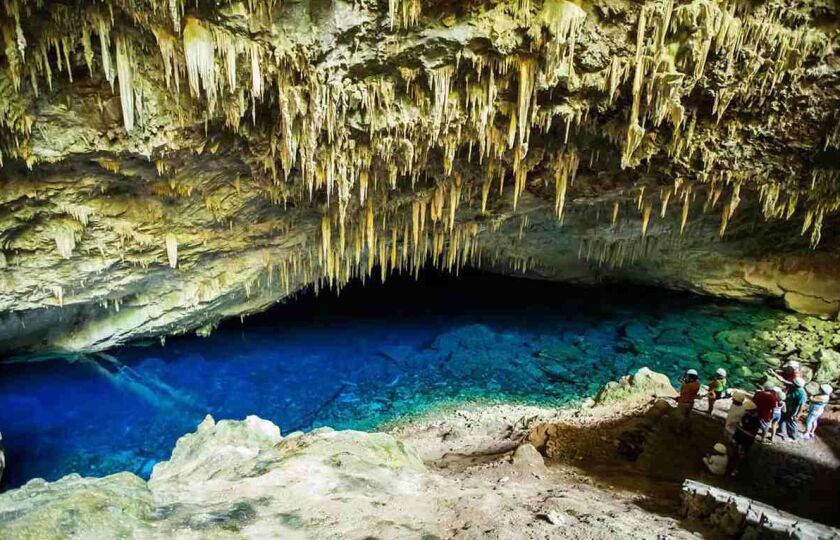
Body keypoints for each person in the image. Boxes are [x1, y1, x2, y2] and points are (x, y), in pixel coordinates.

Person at [728, 400, 760, 476]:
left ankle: (736, 469)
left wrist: (739, 428)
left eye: (747, 410)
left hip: (746, 441)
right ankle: (729, 465)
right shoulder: (746, 415)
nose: (746, 411)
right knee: (734, 453)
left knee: (740, 456)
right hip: (738, 437)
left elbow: (752, 435)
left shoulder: (756, 421)